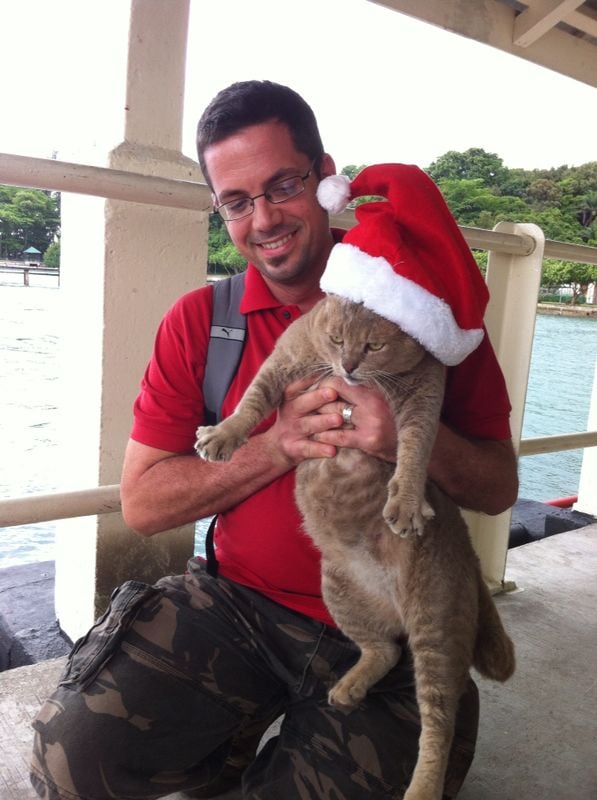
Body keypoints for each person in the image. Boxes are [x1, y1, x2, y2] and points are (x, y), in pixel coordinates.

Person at [30, 80, 518, 800]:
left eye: (284, 185)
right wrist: (277, 444)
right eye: (235, 201)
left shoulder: (423, 311)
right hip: (238, 606)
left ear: (325, 179)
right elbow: (144, 504)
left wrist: (410, 441)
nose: (263, 219)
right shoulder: (204, 319)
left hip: (391, 619)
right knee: (72, 756)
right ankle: (229, 742)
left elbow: (500, 487)